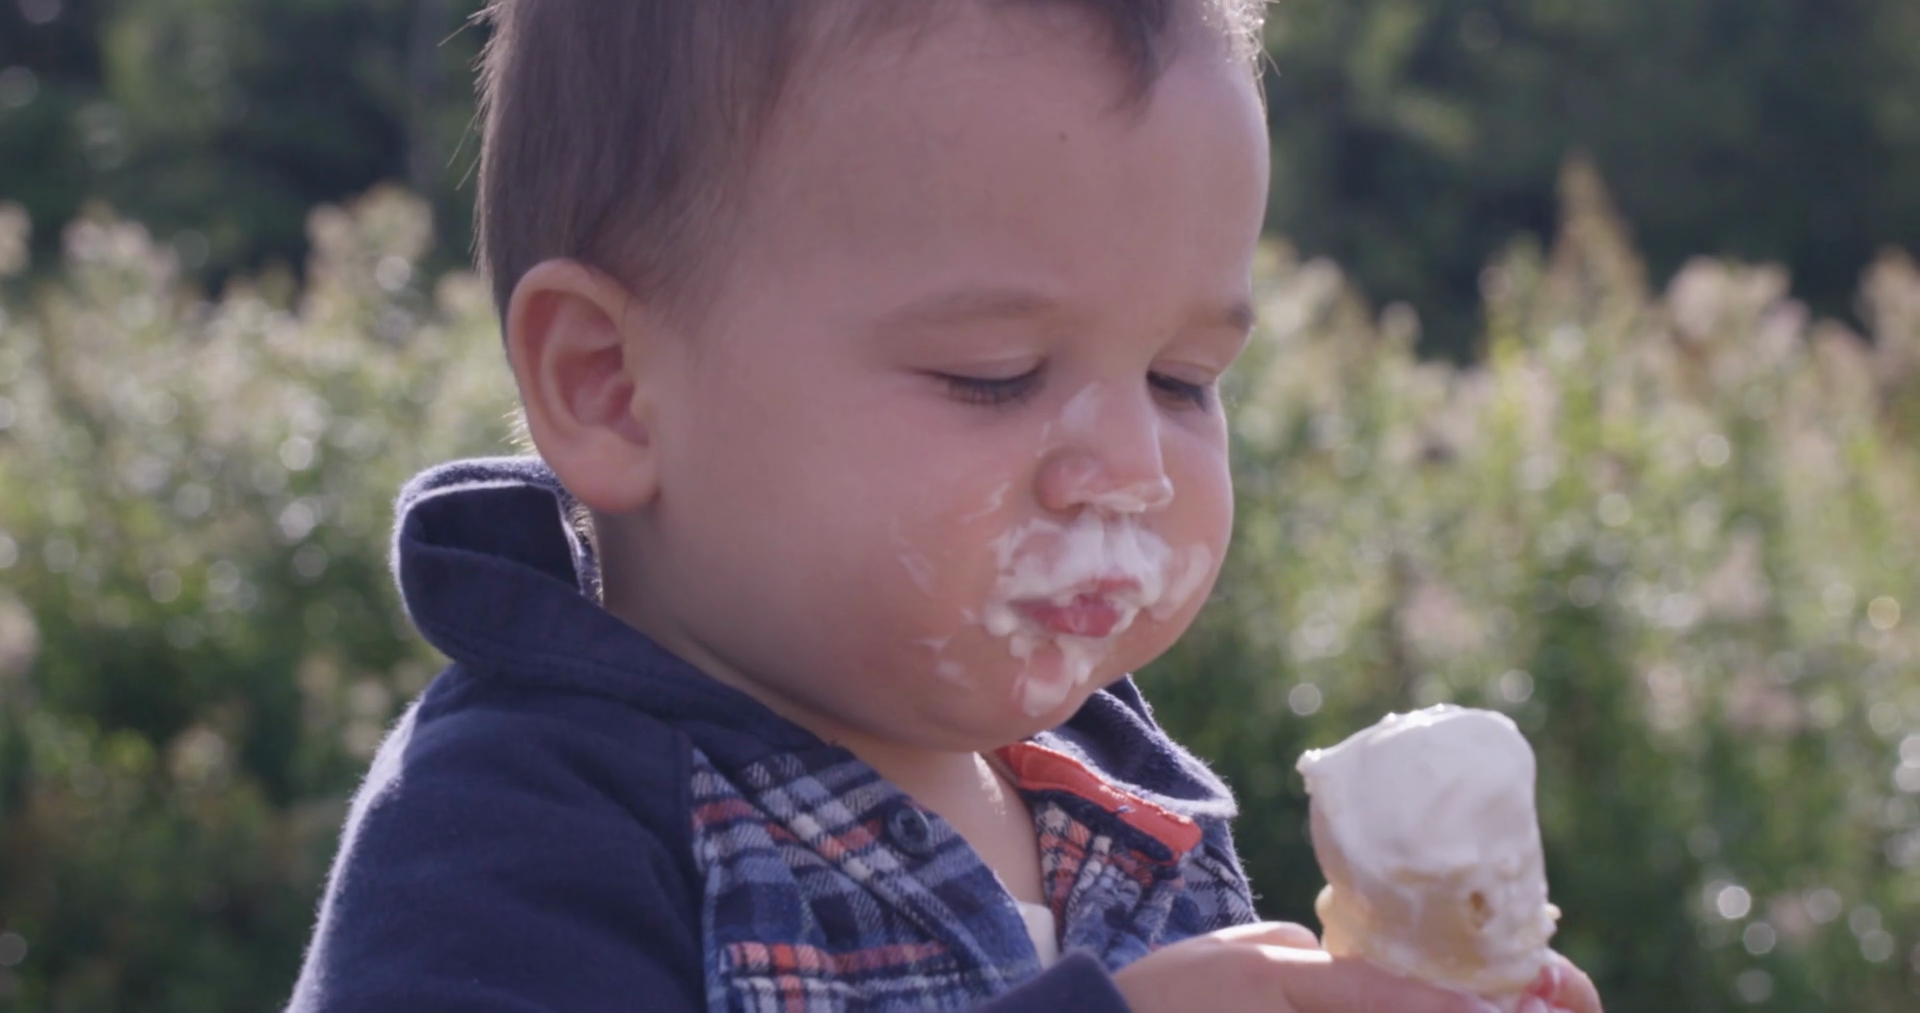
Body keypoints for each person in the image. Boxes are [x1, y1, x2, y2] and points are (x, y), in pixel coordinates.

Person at [286, 1, 1604, 1011]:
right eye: (997, 375)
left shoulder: (1131, 818)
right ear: (614, 387)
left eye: (1183, 379)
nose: (1132, 467)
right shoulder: (519, 835)